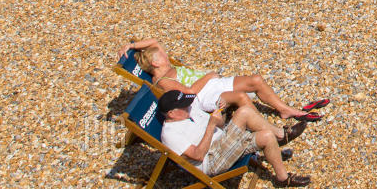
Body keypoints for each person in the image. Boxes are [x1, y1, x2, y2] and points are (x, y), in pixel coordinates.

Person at [126, 39, 327, 122]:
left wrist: (130, 45)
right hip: (203, 95)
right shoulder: (163, 80)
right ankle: (264, 131)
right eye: (158, 55)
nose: (163, 53)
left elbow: (154, 41)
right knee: (240, 96)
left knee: (255, 80)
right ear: (153, 61)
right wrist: (208, 76)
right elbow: (190, 93)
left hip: (211, 84)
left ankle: (284, 110)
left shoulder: (167, 65)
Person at [157, 89, 309, 189]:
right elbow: (198, 155)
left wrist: (220, 111)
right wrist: (211, 124)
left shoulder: (189, 110)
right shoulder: (171, 134)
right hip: (212, 159)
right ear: (171, 113)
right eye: (183, 106)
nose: (188, 107)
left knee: (256, 125)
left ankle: (282, 176)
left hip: (223, 141)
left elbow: (221, 124)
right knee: (253, 123)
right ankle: (281, 136)